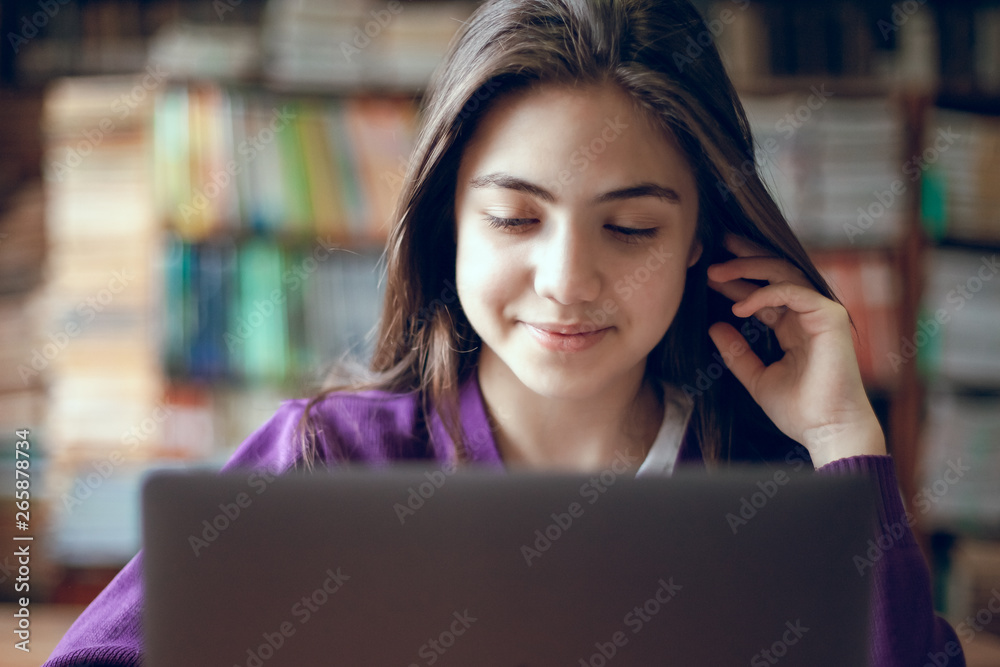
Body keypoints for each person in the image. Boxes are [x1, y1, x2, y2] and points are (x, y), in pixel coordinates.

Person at [44, 0, 965, 665]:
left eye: (633, 227)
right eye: (517, 219)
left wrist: (846, 443)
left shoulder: (781, 487)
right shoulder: (323, 460)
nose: (567, 280)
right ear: (451, 222)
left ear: (701, 240)